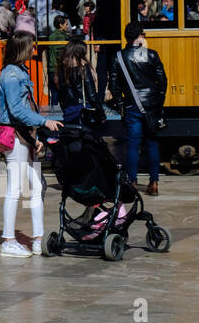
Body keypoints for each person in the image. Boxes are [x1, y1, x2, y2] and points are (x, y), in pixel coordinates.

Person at [0, 31, 60, 258]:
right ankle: (8, 240)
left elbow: (25, 107)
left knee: (38, 185)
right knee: (14, 189)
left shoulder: (20, 71)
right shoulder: (11, 75)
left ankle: (38, 238)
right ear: (23, 48)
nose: (35, 50)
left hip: (25, 136)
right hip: (15, 136)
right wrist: (44, 121)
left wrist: (35, 138)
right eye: (32, 47)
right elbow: (16, 110)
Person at [108, 21, 167, 197]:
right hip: (151, 105)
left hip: (131, 105)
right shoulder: (152, 55)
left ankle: (132, 182)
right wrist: (159, 102)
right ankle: (154, 182)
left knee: (133, 145)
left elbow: (114, 83)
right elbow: (163, 81)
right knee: (152, 143)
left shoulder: (118, 56)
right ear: (140, 36)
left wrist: (120, 103)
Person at [56, 39, 98, 129]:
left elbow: (60, 92)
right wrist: (100, 112)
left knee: (73, 138)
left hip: (68, 110)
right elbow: (91, 94)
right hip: (83, 110)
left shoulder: (61, 67)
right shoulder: (83, 68)